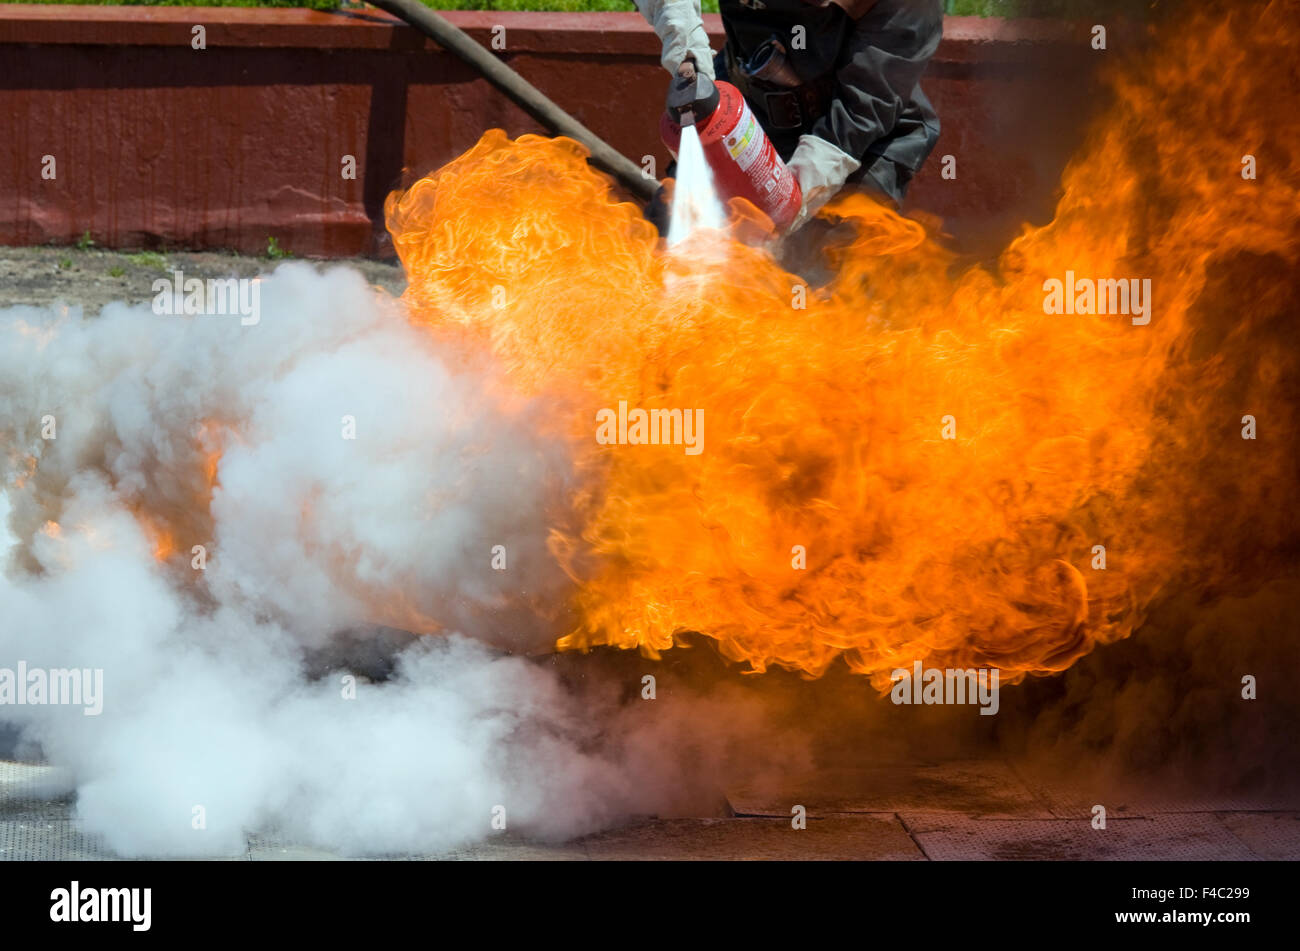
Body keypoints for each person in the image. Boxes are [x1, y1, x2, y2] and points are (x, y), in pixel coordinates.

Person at [636, 0, 942, 232]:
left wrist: (788, 206)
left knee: (832, 273)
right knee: (673, 241)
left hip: (861, 133)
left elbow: (863, 108)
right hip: (743, 113)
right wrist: (686, 49)